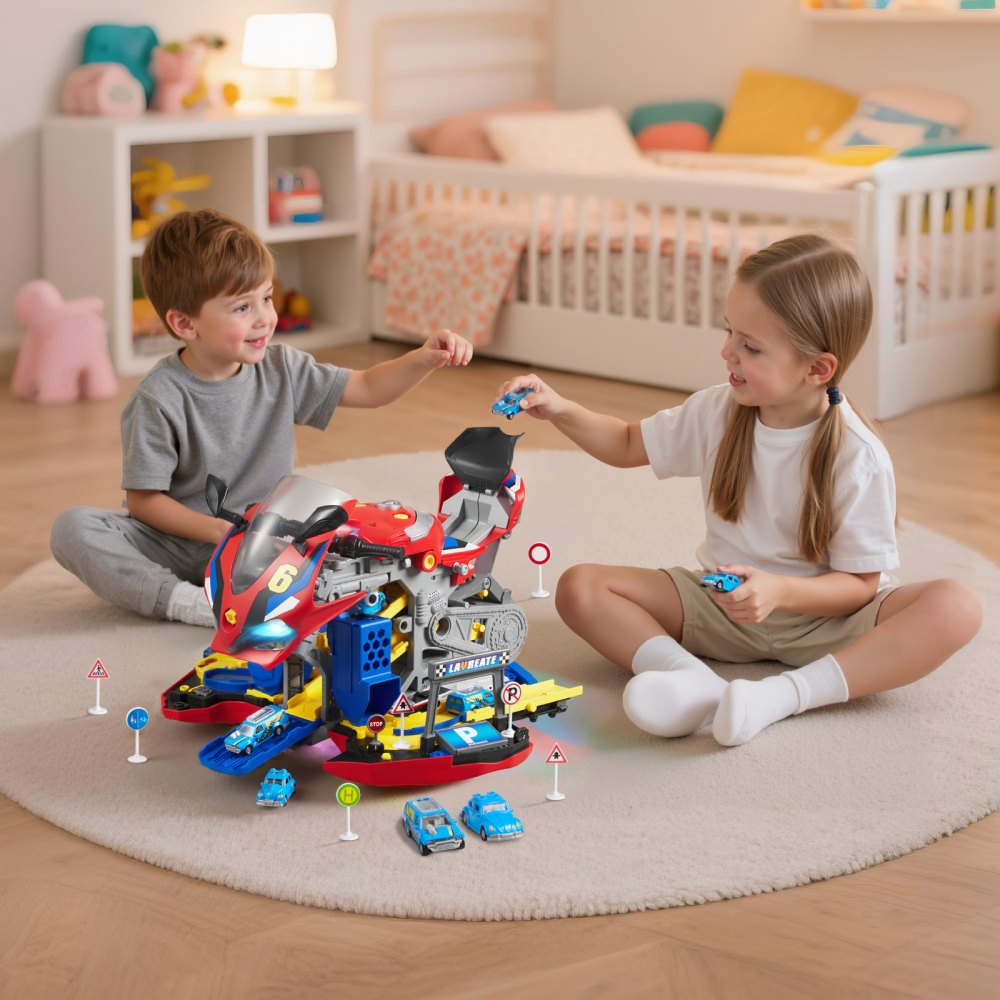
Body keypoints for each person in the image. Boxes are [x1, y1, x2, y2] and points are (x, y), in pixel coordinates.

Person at [493, 234, 982, 747]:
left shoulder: (858, 456)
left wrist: (779, 591)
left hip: (827, 622)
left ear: (818, 369)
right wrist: (559, 407)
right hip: (724, 606)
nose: (727, 352)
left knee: (956, 607)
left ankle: (783, 696)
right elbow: (626, 442)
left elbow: (859, 586)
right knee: (581, 587)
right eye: (730, 332)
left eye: (750, 346)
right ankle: (695, 683)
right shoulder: (716, 410)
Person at [51, 208, 473, 627]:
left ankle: (285, 592)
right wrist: (218, 532)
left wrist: (422, 360)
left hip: (270, 542)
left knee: (358, 527)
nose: (264, 318)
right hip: (179, 545)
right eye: (241, 308)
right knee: (73, 528)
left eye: (266, 298)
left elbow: (366, 388)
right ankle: (185, 602)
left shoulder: (281, 367)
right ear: (185, 323)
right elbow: (145, 502)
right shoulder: (159, 397)